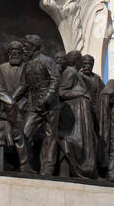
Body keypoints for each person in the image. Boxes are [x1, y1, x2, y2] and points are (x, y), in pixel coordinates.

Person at [15, 35, 61, 178]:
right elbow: (23, 86)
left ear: (34, 46)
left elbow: (55, 80)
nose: (24, 48)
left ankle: (48, 167)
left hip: (50, 105)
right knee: (25, 132)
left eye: (26, 45)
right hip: (34, 105)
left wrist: (47, 99)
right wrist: (10, 100)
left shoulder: (47, 61)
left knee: (50, 137)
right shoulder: (27, 65)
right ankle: (27, 165)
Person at [57, 52, 98, 181]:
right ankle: (81, 168)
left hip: (81, 113)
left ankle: (90, 169)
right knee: (79, 142)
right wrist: (79, 93)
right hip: (74, 113)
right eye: (81, 60)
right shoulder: (69, 72)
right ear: (76, 61)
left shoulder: (75, 73)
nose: (82, 63)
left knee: (92, 141)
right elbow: (62, 92)